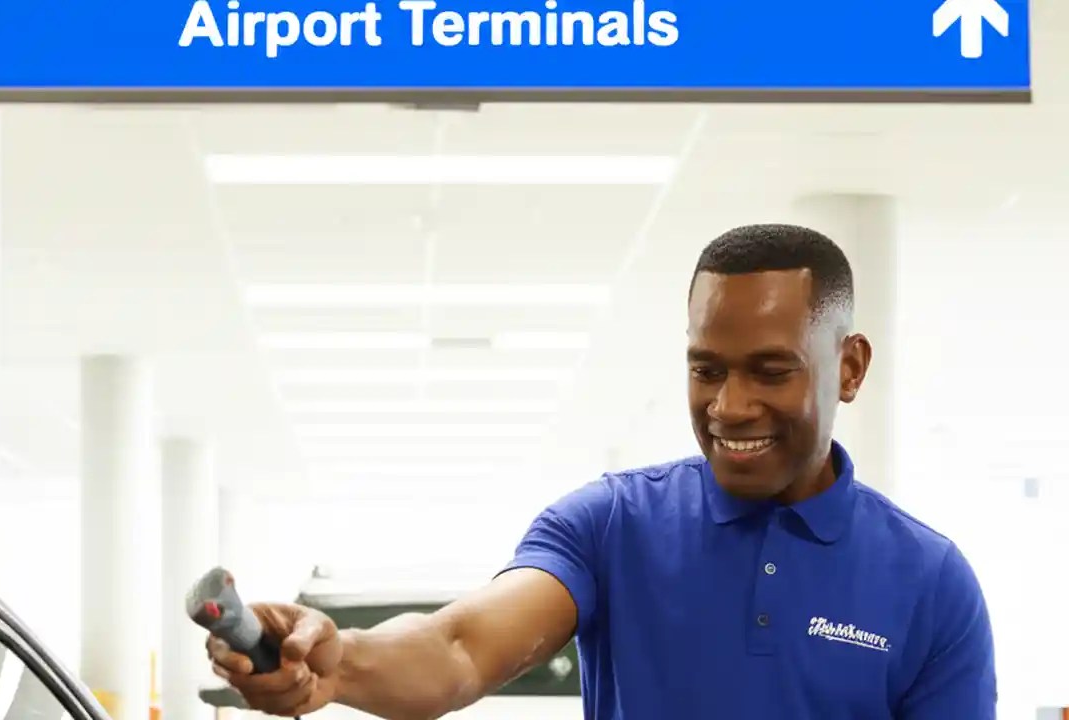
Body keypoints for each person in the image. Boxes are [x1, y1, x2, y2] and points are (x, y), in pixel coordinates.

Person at [206, 223, 997, 719]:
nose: (729, 406)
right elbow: (457, 649)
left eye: (770, 371)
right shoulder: (612, 526)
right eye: (706, 369)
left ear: (848, 368)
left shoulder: (930, 582)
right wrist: (339, 660)